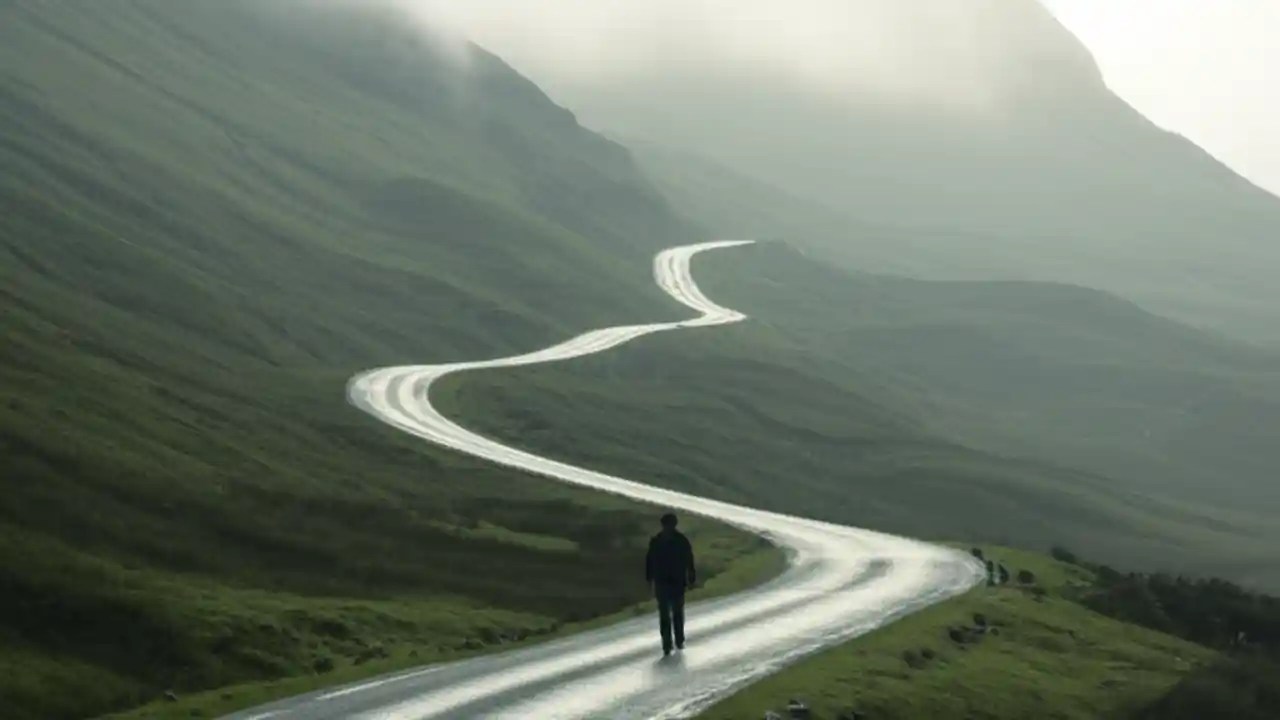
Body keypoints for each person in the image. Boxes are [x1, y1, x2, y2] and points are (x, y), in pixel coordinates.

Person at [645, 512, 696, 656]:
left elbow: (689, 560)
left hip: (677, 582)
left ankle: (678, 639)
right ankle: (667, 643)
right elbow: (649, 561)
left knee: (677, 612)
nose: (669, 527)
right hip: (662, 582)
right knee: (665, 614)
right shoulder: (657, 541)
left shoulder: (680, 541)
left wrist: (691, 576)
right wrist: (650, 579)